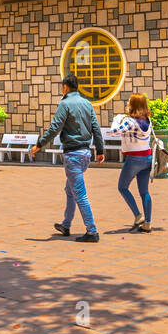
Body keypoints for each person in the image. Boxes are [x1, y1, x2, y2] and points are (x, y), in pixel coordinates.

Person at [30, 73, 104, 243]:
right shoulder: (87, 103)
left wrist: (39, 144)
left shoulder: (64, 104)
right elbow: (96, 129)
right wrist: (100, 150)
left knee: (79, 194)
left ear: (65, 87)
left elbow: (55, 128)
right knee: (70, 190)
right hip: (86, 154)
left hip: (73, 155)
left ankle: (92, 231)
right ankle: (66, 224)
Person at [110, 94, 156, 232]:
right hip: (147, 158)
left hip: (134, 159)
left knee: (122, 187)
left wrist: (115, 120)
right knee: (144, 192)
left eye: (130, 102)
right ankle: (147, 222)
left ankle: (138, 216)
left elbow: (114, 132)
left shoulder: (130, 122)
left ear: (134, 105)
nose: (127, 103)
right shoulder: (147, 120)